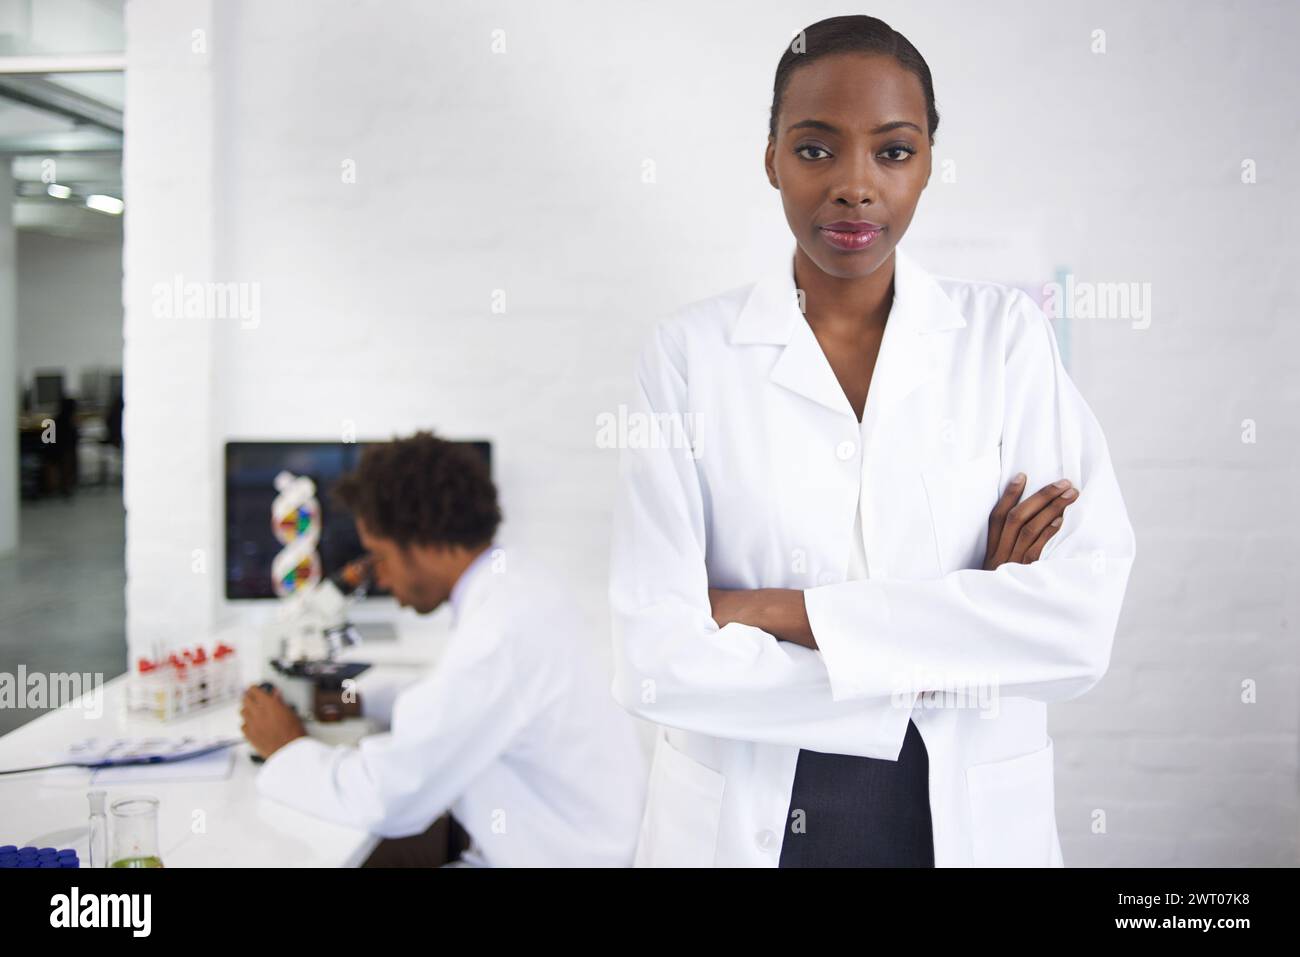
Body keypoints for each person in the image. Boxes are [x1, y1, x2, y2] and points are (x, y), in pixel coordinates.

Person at [608, 15, 1136, 867]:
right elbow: (655, 659)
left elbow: (1077, 626)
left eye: (893, 151)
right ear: (772, 155)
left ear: (929, 161)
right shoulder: (688, 356)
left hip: (958, 815)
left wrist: (772, 610)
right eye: (817, 149)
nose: (856, 186)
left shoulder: (1003, 340)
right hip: (750, 820)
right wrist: (964, 622)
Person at [242, 431, 647, 866]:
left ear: (423, 543)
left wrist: (286, 749)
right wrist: (358, 699)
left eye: (380, 556)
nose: (379, 578)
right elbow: (447, 700)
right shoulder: (518, 586)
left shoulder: (501, 630)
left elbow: (386, 797)